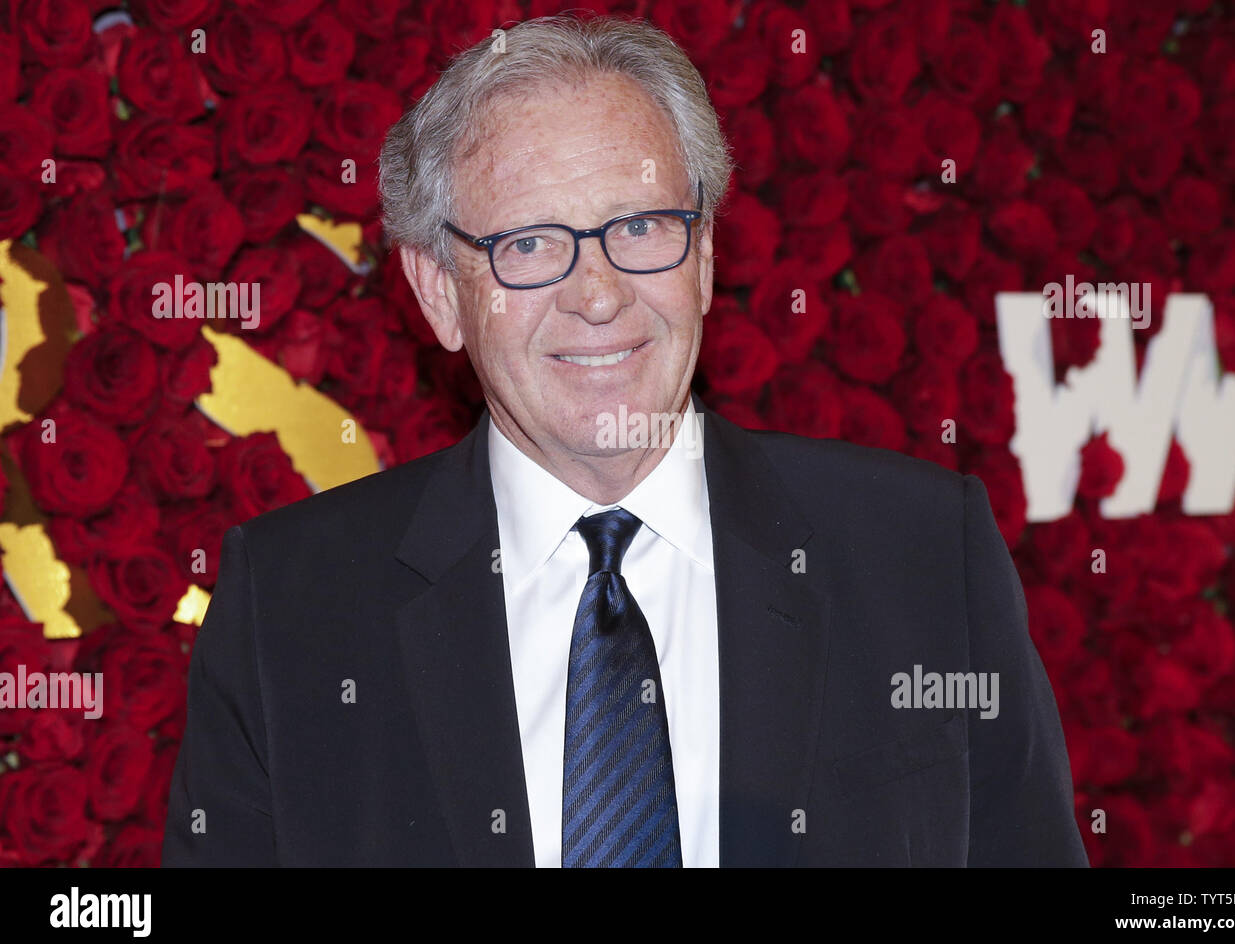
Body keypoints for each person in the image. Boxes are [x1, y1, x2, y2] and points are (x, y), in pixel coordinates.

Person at [162, 14, 1087, 867]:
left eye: (641, 227)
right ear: (440, 290)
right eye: (528, 243)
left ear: (707, 256)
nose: (598, 294)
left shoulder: (920, 554)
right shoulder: (290, 608)